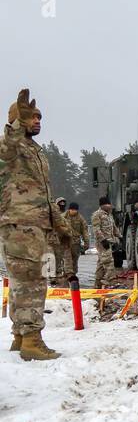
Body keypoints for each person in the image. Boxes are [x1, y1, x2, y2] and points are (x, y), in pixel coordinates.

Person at [1, 88, 69, 360]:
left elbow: (44, 193)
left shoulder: (33, 151)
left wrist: (60, 224)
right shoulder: (12, 146)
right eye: (32, 117)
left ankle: (20, 337)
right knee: (33, 281)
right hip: (22, 224)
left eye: (40, 117)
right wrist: (17, 123)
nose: (38, 121)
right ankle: (31, 339)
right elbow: (7, 147)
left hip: (34, 224)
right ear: (19, 121)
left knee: (21, 281)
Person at [92, 195, 119, 290]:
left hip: (110, 241)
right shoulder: (97, 215)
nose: (109, 206)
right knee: (108, 261)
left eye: (109, 204)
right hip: (102, 243)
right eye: (106, 204)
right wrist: (103, 240)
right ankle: (110, 281)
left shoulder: (109, 215)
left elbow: (114, 227)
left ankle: (97, 284)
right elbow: (96, 229)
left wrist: (119, 237)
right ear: (102, 205)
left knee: (100, 263)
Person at [64, 201, 89, 281]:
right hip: (66, 241)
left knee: (74, 259)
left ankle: (73, 274)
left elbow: (84, 231)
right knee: (67, 258)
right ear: (69, 209)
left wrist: (86, 242)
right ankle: (68, 274)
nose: (73, 211)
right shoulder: (63, 217)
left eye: (75, 210)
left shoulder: (80, 219)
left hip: (76, 242)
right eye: (72, 209)